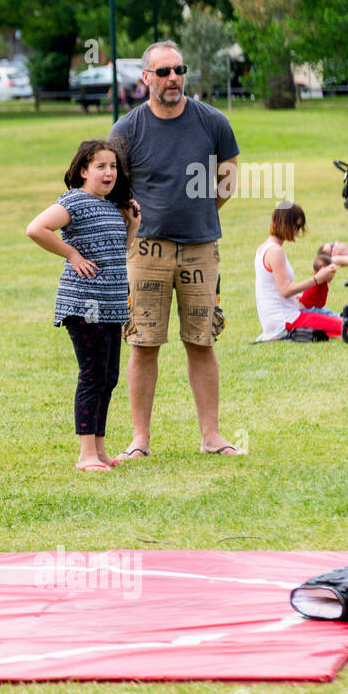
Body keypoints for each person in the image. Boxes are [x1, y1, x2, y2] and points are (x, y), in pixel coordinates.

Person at [109, 40, 242, 459]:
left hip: (201, 246)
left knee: (201, 341)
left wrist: (200, 211)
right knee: (143, 343)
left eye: (179, 70)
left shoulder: (212, 121)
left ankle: (212, 437)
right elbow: (114, 184)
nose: (173, 79)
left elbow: (228, 176)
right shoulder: (127, 129)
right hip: (147, 249)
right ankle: (139, 441)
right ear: (145, 78)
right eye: (163, 72)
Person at [26, 139, 139, 471]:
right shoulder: (74, 201)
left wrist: (132, 226)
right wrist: (71, 254)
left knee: (109, 376)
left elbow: (120, 251)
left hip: (112, 303)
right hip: (84, 304)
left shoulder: (111, 205)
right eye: (100, 166)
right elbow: (36, 228)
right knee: (92, 375)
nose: (108, 173)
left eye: (113, 167)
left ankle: (100, 450)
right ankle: (85, 454)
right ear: (83, 170)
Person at [253, 203, 342, 341]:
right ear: (286, 224)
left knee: (331, 319)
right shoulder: (275, 252)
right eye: (297, 226)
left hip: (278, 319)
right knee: (342, 326)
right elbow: (285, 290)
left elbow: (274, 290)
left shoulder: (263, 249)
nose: (298, 232)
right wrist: (317, 279)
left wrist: (300, 295)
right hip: (284, 321)